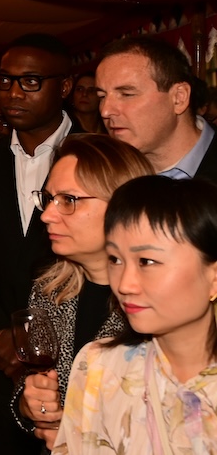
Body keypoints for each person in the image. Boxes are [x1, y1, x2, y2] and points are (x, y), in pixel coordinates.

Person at [0, 34, 77, 455]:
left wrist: (40, 342)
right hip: (4, 359)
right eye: (5, 81)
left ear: (65, 87)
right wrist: (2, 338)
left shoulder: (97, 155)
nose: (12, 93)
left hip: (80, 352)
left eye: (30, 82)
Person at [53, 176, 217, 453]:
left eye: (147, 262)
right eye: (115, 259)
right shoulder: (99, 367)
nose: (125, 284)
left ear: (213, 276)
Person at [13, 135, 153, 449]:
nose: (47, 214)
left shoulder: (160, 305)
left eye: (68, 200)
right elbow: (34, 391)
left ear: (121, 204)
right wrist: (33, 406)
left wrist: (81, 436)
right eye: (48, 198)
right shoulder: (50, 289)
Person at [95, 36, 217, 181]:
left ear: (179, 98)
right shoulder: (101, 174)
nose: (105, 111)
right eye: (102, 96)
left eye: (127, 94)